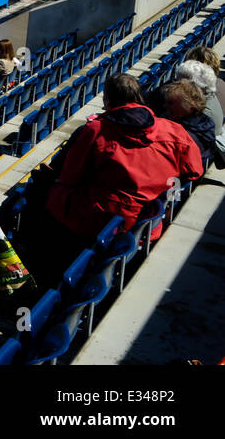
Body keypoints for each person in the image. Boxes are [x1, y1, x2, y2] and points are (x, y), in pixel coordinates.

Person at [17, 74, 203, 287]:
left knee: (42, 199)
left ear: (107, 101)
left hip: (101, 220)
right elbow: (195, 170)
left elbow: (69, 178)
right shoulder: (173, 129)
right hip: (147, 223)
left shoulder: (96, 130)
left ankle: (31, 271)